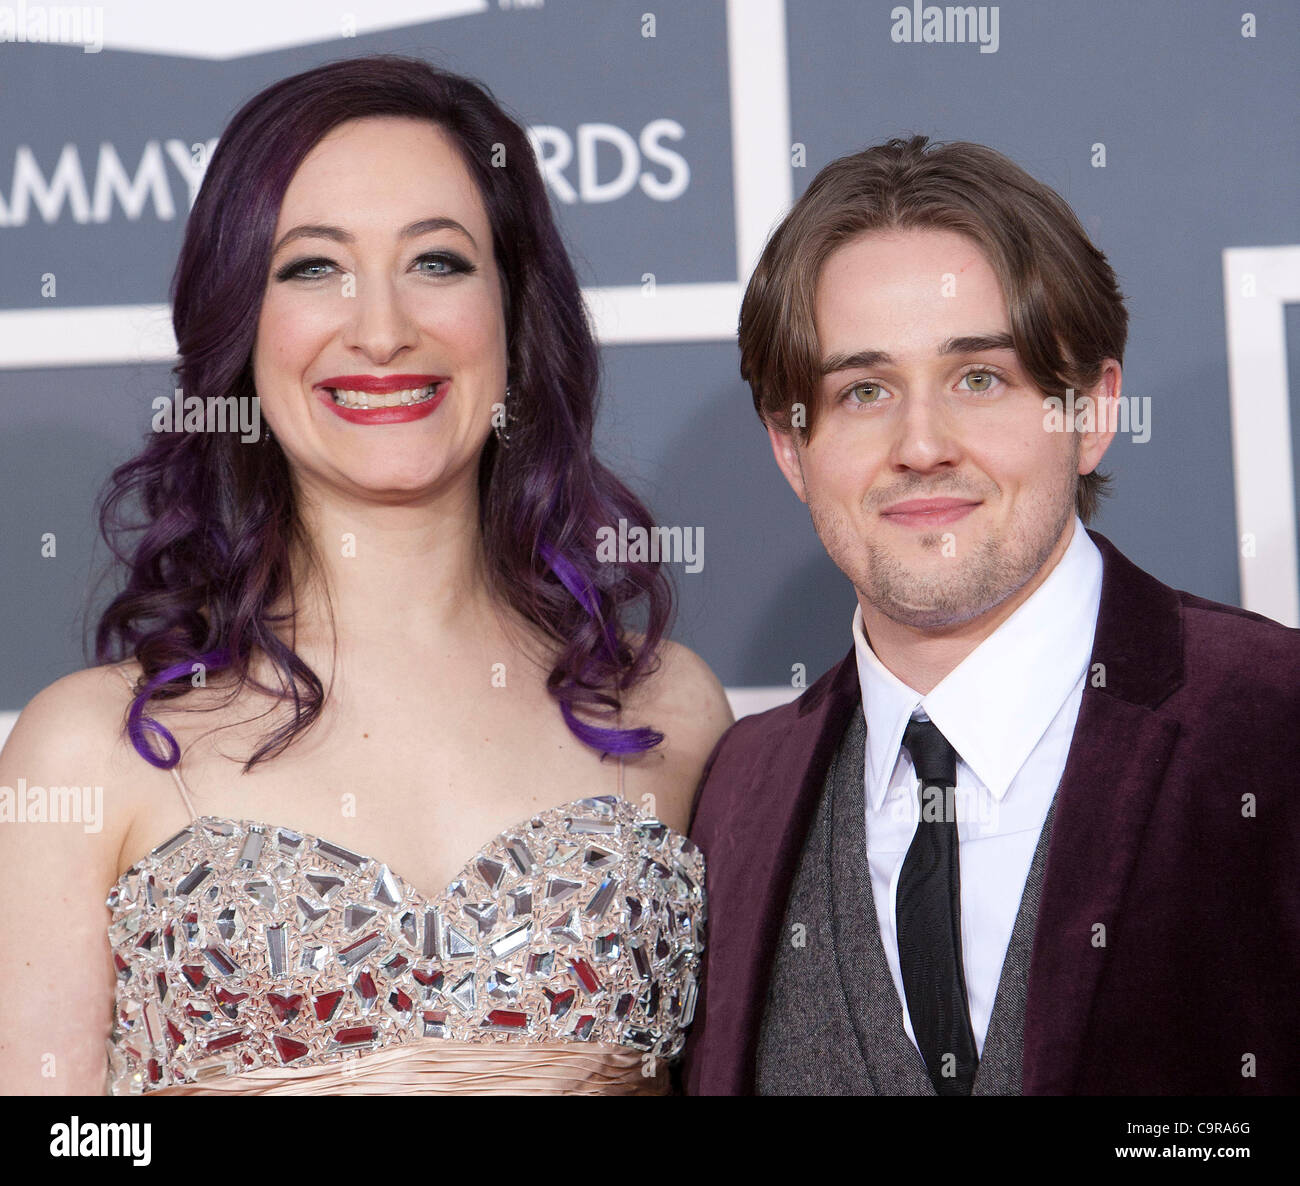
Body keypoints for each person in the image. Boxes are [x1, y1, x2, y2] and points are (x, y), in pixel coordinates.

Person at [0, 55, 731, 1096]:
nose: (382, 329)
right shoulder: (85, 749)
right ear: (239, 330)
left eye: (437, 262)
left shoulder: (669, 710)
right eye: (310, 268)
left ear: (516, 316)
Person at [678, 134, 1300, 1095]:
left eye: (979, 378)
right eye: (863, 391)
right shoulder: (734, 798)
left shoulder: (1275, 724)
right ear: (792, 450)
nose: (921, 444)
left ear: (1090, 413)